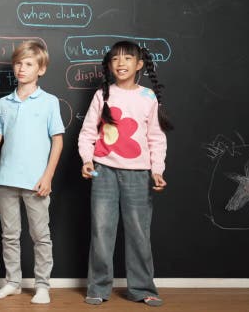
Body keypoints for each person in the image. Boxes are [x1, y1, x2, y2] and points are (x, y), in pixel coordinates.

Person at [78, 40, 173, 307]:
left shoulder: (148, 97)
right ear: (109, 65)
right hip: (104, 171)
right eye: (116, 59)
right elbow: (87, 133)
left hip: (139, 175)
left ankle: (142, 288)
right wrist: (87, 160)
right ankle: (98, 287)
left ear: (139, 65)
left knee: (139, 233)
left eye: (128, 59)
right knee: (101, 231)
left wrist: (157, 170)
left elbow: (156, 138)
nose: (121, 63)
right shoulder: (103, 94)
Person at [0, 40, 64, 305]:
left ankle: (42, 285)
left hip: (36, 181)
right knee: (10, 236)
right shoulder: (3, 104)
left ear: (41, 69)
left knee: (40, 236)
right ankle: (13, 282)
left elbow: (58, 141)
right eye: (18, 63)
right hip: (7, 180)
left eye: (28, 64)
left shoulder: (49, 102)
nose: (21, 68)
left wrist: (48, 176)